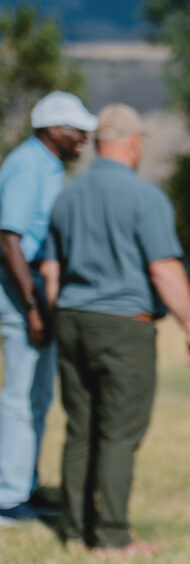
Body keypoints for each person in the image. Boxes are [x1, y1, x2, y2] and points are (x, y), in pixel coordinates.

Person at [42, 103, 190, 557]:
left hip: (71, 320)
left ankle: (74, 529)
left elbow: (51, 273)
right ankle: (112, 537)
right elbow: (164, 269)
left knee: (80, 428)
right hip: (124, 327)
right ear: (133, 144)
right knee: (119, 433)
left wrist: (60, 320)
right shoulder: (144, 197)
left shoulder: (66, 197)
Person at [0, 92, 96, 525]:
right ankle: (7, 496)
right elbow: (9, 240)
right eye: (79, 132)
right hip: (22, 292)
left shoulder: (49, 165)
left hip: (36, 290)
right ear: (55, 130)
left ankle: (24, 482)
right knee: (21, 395)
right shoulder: (27, 165)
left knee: (38, 394)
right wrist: (33, 308)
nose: (84, 140)